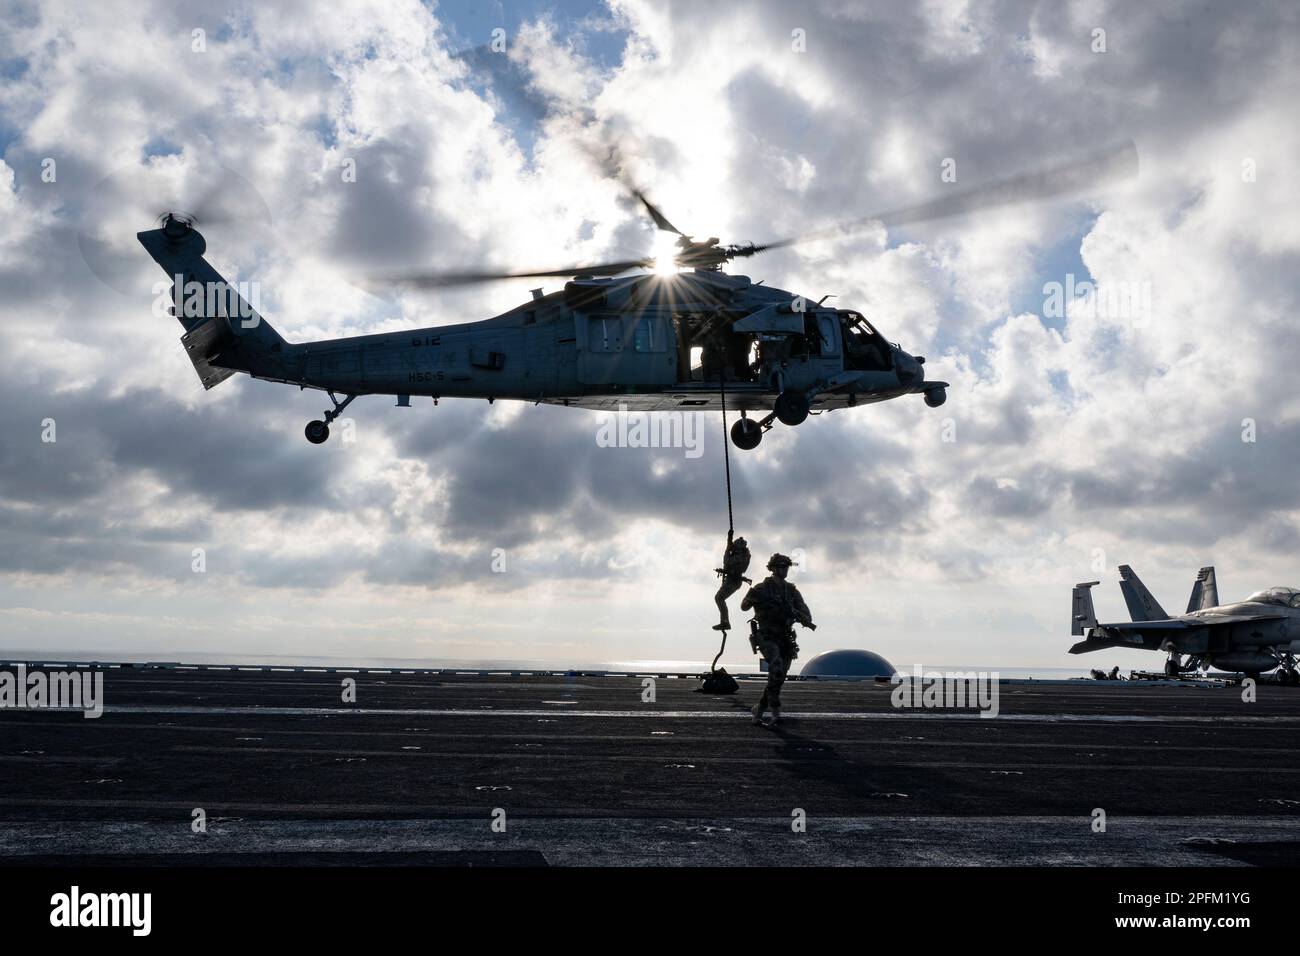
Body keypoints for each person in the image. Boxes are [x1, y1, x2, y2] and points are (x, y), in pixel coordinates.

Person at [741, 553, 815, 725]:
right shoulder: (761, 589)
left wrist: (797, 614)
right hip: (767, 636)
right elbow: (744, 606)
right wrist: (756, 597)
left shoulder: (791, 591)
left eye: (786, 566)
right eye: (780, 566)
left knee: (778, 678)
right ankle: (776, 712)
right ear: (772, 568)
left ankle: (759, 709)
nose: (783, 569)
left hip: (785, 638)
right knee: (776, 666)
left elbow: (807, 615)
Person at [713, 532, 751, 632]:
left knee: (719, 598)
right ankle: (724, 622)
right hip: (732, 580)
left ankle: (725, 622)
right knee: (719, 598)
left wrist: (728, 547)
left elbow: (728, 562)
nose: (733, 546)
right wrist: (729, 538)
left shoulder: (739, 557)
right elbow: (729, 549)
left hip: (733, 581)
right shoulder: (740, 555)